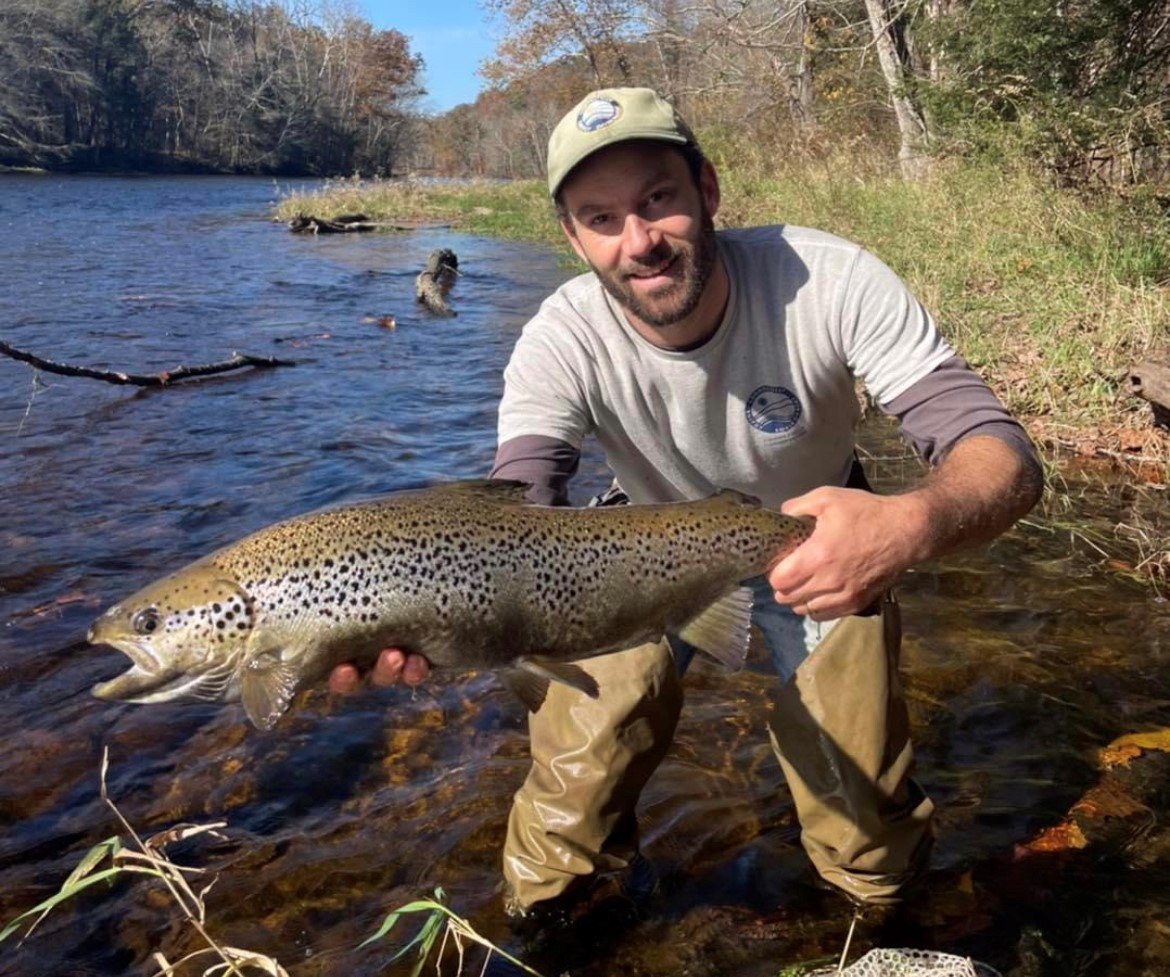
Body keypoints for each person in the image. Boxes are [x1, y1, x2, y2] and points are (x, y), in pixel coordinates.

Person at [330, 87, 1043, 930]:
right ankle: (548, 931)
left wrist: (908, 524)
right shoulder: (561, 338)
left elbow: (1000, 453)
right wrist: (438, 616)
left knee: (868, 835)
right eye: (601, 218)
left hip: (817, 542)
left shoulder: (829, 278)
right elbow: (518, 506)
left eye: (657, 200)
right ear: (572, 237)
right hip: (634, 552)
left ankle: (873, 928)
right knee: (567, 814)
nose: (638, 242)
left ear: (707, 190)